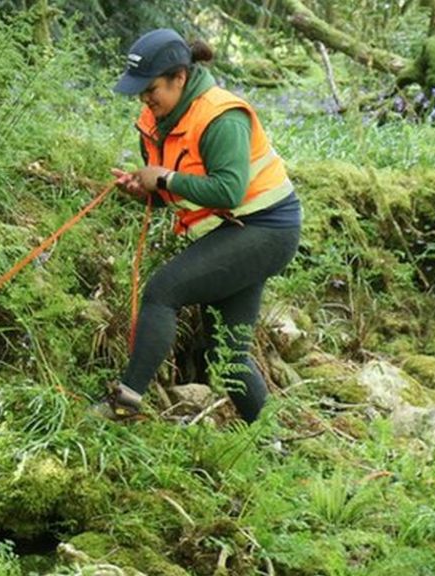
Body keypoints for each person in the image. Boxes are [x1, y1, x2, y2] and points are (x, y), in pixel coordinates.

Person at [95, 29, 302, 423]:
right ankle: (271, 443)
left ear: (180, 78)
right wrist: (146, 191)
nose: (144, 98)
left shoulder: (220, 116)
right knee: (227, 354)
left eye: (150, 88)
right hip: (234, 230)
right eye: (139, 91)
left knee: (162, 292)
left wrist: (165, 179)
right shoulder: (157, 119)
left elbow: (227, 189)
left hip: (267, 229)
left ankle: (124, 402)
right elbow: (183, 188)